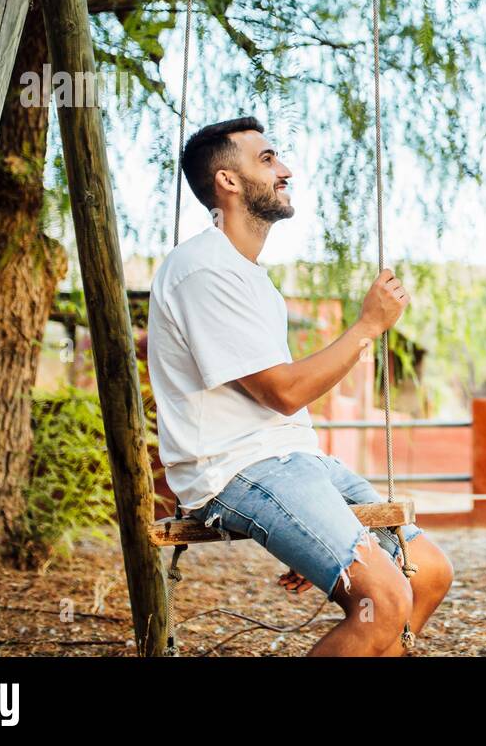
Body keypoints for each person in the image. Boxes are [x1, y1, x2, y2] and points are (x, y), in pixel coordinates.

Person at [147, 115, 452, 654]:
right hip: (235, 468)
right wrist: (367, 326)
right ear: (229, 182)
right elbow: (283, 392)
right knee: (382, 599)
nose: (285, 169)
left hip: (293, 461)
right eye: (267, 159)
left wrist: (313, 532)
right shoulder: (201, 270)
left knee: (427, 572)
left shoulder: (249, 276)